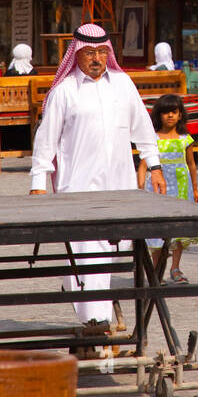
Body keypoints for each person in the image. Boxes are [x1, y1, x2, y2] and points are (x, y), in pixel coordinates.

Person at [30, 24, 166, 333]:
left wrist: (154, 166)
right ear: (76, 54)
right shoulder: (64, 91)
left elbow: (143, 129)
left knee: (108, 249)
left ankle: (93, 306)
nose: (96, 58)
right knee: (86, 249)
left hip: (118, 186)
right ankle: (96, 320)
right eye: (90, 53)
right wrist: (38, 182)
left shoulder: (122, 84)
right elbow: (46, 141)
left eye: (102, 52)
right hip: (78, 186)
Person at [137, 94, 198, 283]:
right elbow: (142, 166)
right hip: (158, 189)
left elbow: (191, 165)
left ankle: (175, 268)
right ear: (159, 115)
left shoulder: (185, 139)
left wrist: (196, 189)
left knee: (178, 228)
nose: (170, 116)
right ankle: (157, 270)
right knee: (158, 229)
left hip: (182, 188)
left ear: (180, 114)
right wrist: (140, 189)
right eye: (166, 112)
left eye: (174, 112)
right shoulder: (152, 139)